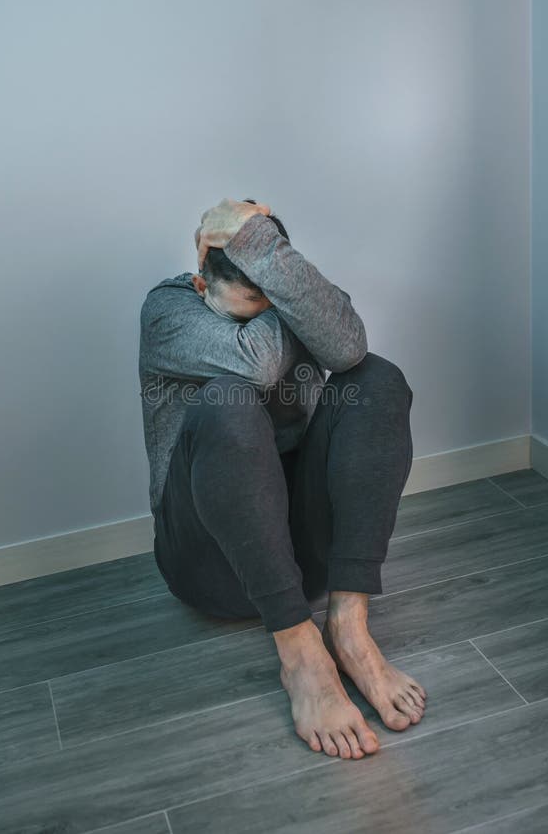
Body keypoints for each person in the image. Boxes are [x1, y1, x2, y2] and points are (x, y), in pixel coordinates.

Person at [138, 197, 426, 761]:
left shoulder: (285, 281)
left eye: (276, 292)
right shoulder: (168, 310)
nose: (266, 314)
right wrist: (294, 298)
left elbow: (350, 349)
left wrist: (260, 244)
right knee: (227, 398)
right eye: (246, 310)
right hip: (209, 562)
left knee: (376, 377)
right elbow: (258, 364)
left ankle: (347, 625)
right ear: (202, 287)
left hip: (305, 558)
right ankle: (299, 650)